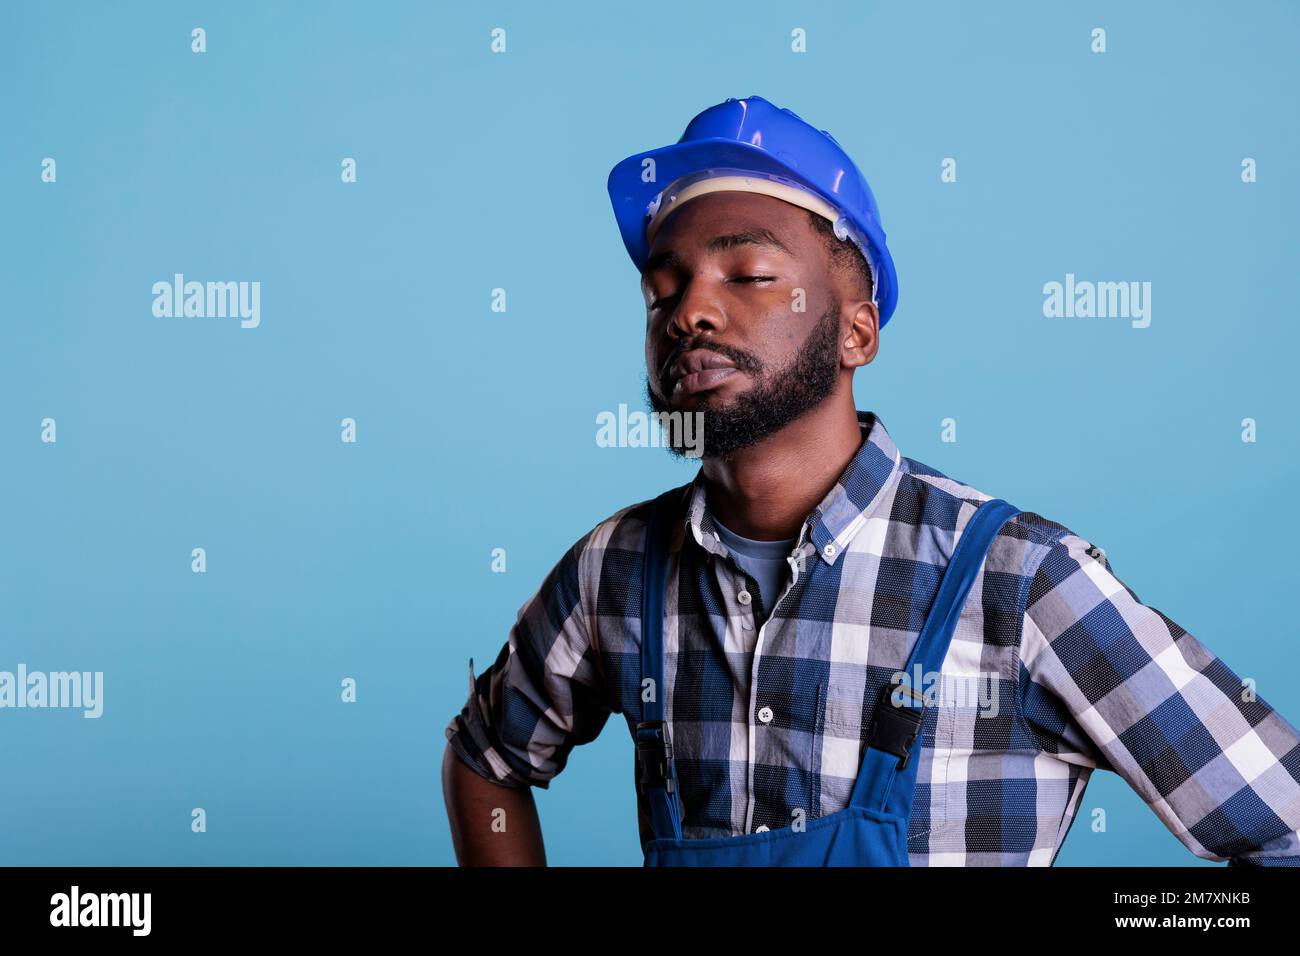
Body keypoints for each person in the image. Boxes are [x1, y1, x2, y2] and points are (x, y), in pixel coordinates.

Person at [441, 95, 1300, 866]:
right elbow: (485, 760)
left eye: (748, 276)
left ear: (857, 334)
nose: (691, 311)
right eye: (664, 291)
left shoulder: (1020, 581)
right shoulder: (615, 571)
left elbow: (1282, 826)